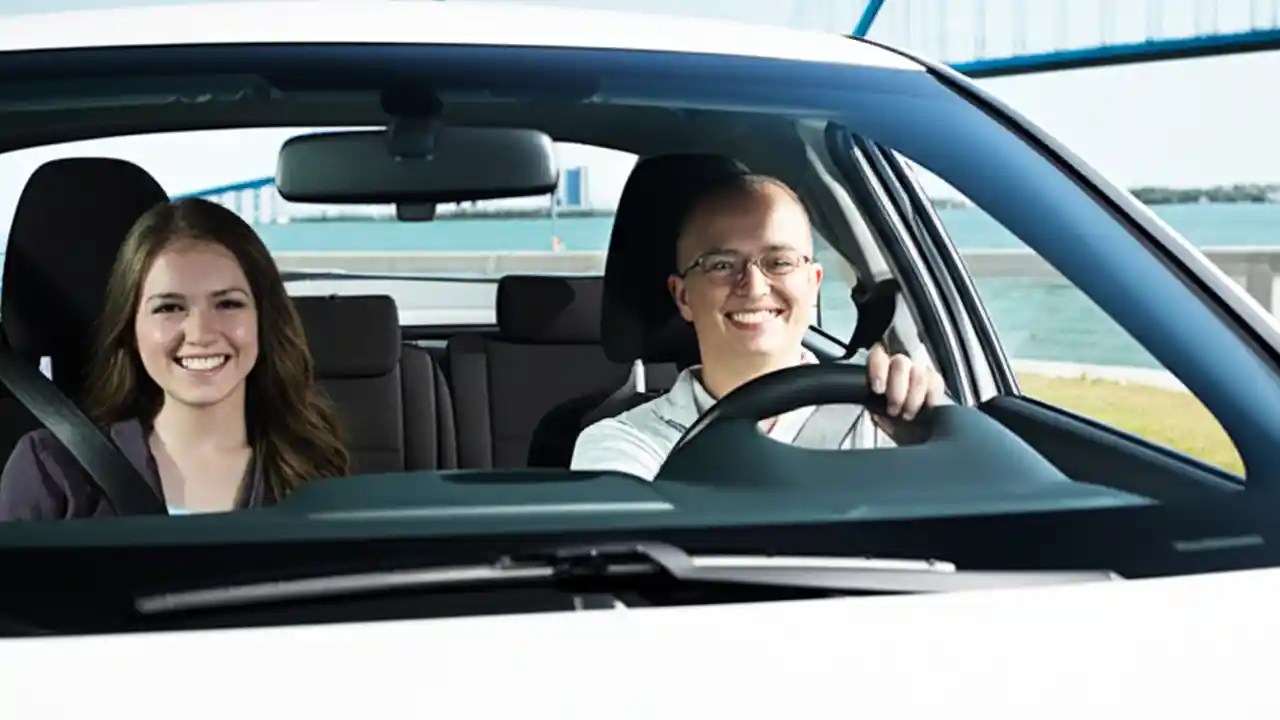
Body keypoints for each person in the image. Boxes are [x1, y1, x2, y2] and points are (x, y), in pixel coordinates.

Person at [570, 173, 948, 480]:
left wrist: (931, 445)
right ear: (683, 296)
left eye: (780, 262)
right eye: (721, 265)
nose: (753, 286)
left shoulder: (886, 420)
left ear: (813, 283)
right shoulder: (624, 444)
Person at [0, 197, 350, 519]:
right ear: (131, 328)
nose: (200, 333)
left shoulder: (311, 467)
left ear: (264, 320)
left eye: (228, 304)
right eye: (169, 307)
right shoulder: (53, 471)